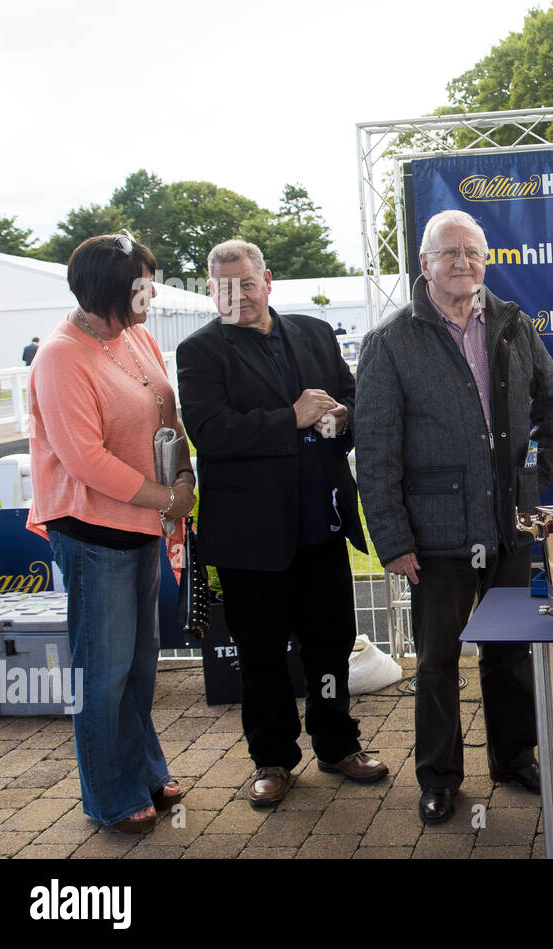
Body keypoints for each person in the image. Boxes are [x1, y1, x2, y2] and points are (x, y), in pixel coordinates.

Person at [355, 210, 553, 825]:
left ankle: (515, 757)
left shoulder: (512, 324)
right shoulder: (389, 341)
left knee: (510, 653)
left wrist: (530, 481)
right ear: (424, 264)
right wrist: (393, 539)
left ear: (485, 260)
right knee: (437, 664)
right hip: (434, 536)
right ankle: (439, 778)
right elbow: (375, 452)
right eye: (448, 252)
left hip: (507, 527)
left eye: (472, 252)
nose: (462, 262)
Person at [177, 239, 387, 808]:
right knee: (262, 655)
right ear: (210, 290)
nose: (238, 297)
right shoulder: (200, 351)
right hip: (250, 537)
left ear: (267, 280)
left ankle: (338, 744)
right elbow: (210, 432)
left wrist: (340, 418)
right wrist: (290, 417)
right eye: (224, 288)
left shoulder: (315, 333)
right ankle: (271, 759)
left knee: (330, 646)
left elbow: (355, 402)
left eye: (246, 284)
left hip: (320, 525)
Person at [27, 232, 193, 833]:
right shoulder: (60, 356)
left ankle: (144, 771)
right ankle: (110, 797)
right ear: (107, 292)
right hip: (93, 532)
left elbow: (166, 412)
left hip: (140, 524)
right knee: (104, 674)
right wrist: (167, 497)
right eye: (141, 286)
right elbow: (85, 460)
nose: (152, 294)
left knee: (139, 667)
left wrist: (183, 475)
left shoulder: (136, 335)